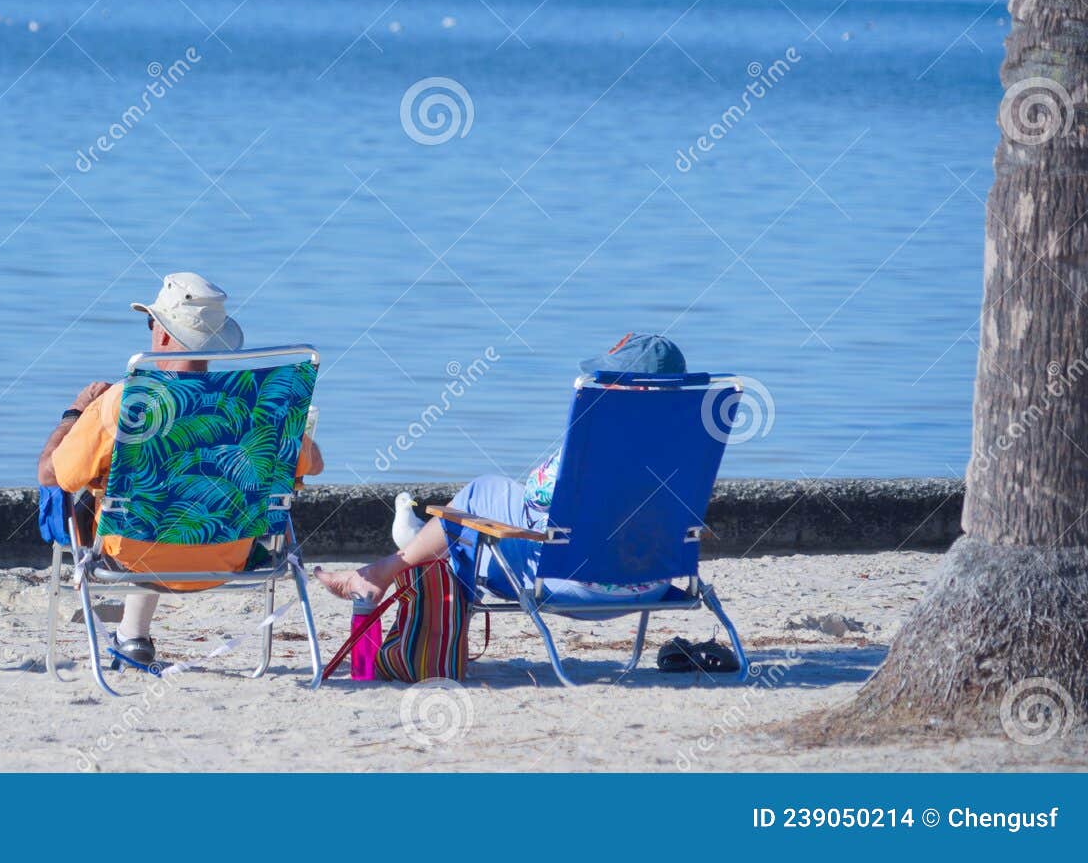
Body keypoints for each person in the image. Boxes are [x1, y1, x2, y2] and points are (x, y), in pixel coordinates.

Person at [39, 271, 324, 667]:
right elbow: (316, 464)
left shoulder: (123, 402)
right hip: (230, 554)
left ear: (166, 335)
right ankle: (132, 635)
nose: (151, 330)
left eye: (152, 321)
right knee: (179, 488)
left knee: (124, 490)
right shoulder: (265, 405)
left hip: (135, 555)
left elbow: (53, 476)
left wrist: (74, 414)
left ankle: (130, 636)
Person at [315, 333, 685, 612]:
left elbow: (540, 494)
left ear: (620, 388)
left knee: (481, 497)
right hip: (652, 583)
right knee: (472, 525)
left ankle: (382, 579)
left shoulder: (598, 440)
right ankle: (381, 574)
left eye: (607, 380)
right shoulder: (686, 445)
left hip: (577, 585)